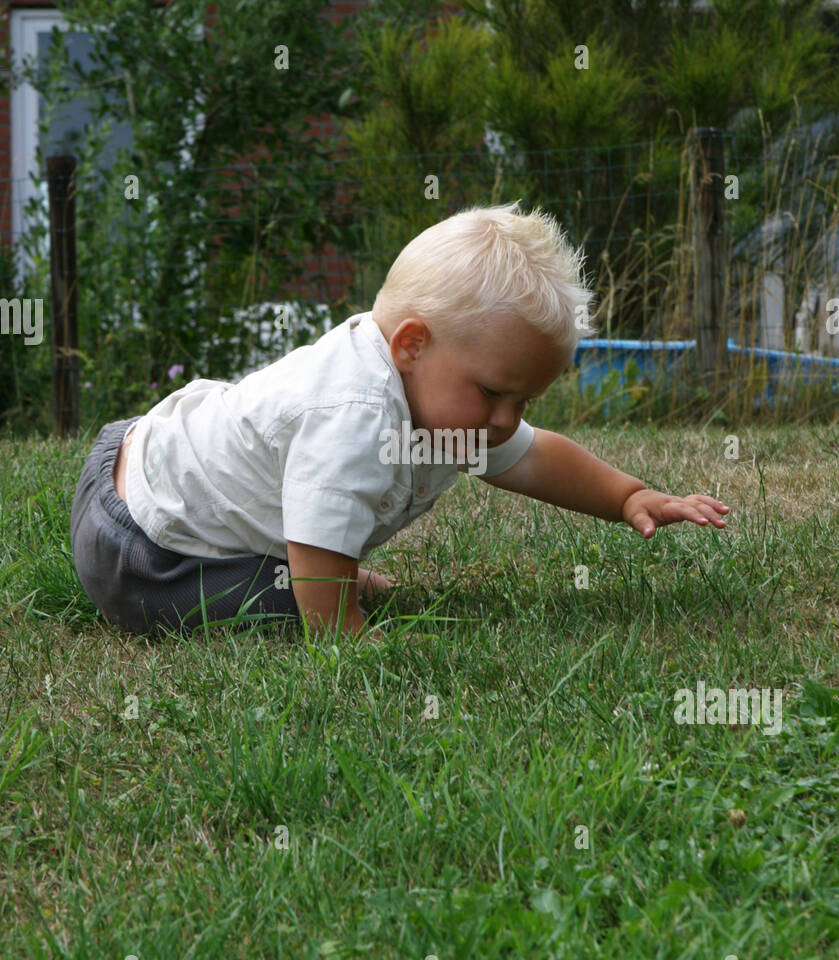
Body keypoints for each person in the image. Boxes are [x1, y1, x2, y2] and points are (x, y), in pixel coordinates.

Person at [70, 201, 728, 638]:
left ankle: (313, 576)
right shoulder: (354, 414)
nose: (505, 421)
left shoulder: (448, 403)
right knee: (279, 599)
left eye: (524, 402)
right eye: (496, 394)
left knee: (307, 568)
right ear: (411, 345)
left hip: (152, 460)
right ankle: (305, 585)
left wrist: (629, 496)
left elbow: (531, 458)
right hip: (142, 548)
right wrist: (344, 637)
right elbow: (320, 541)